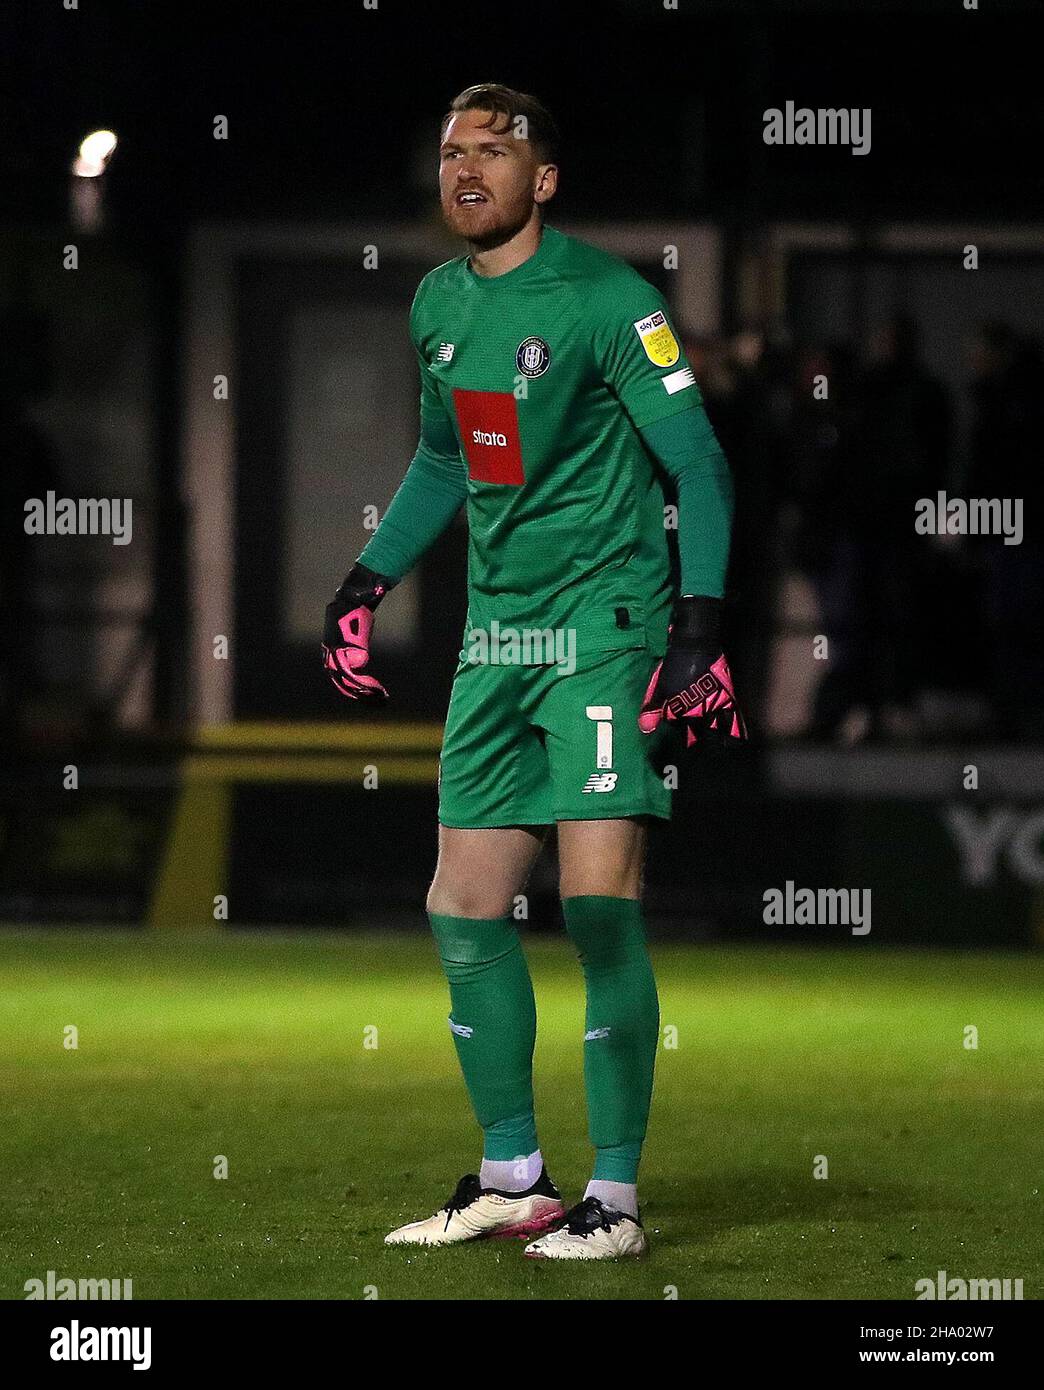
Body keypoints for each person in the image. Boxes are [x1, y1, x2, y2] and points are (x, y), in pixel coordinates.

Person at [322, 84, 745, 1261]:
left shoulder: (612, 300)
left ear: (542, 181)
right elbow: (456, 462)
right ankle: (515, 1175)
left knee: (599, 907)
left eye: (495, 150)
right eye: (453, 150)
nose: (467, 167)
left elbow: (697, 468)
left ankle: (617, 1198)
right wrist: (365, 581)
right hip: (496, 640)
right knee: (462, 905)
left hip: (604, 633)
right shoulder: (443, 305)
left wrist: (698, 634)